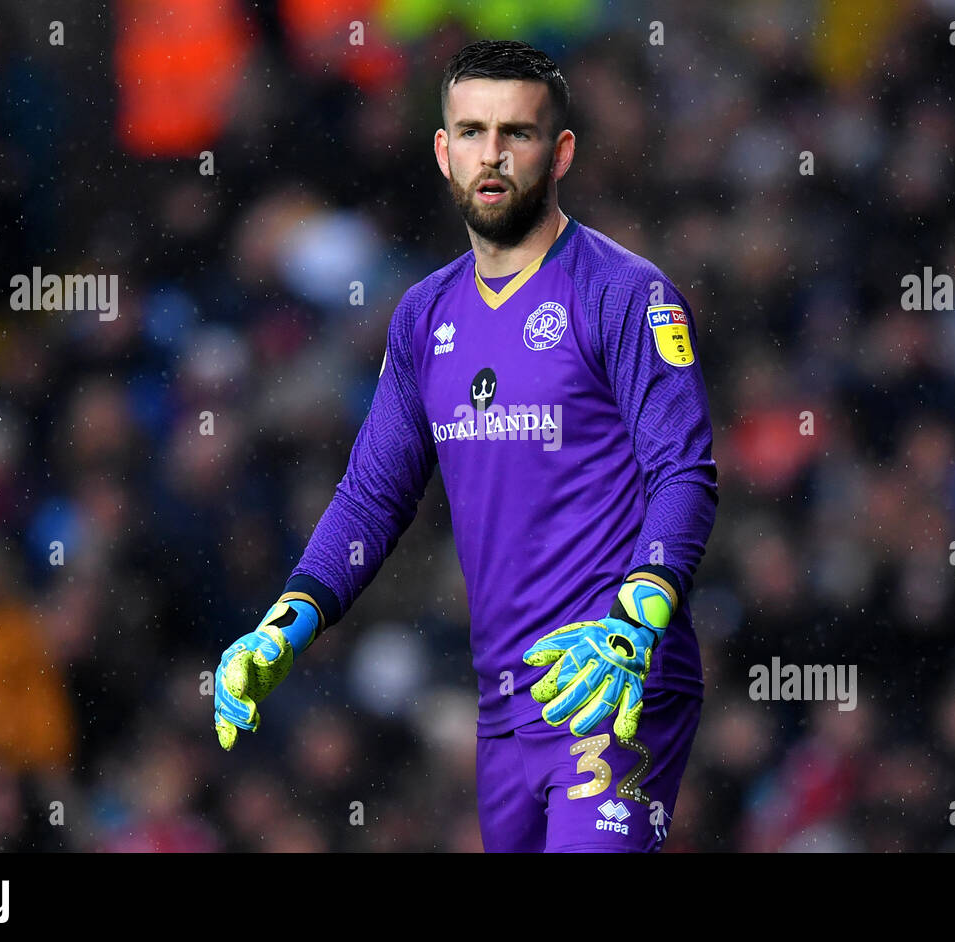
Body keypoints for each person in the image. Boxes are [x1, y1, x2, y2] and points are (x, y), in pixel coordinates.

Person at [213, 39, 717, 853]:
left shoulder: (626, 294)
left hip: (614, 680)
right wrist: (286, 621)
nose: (492, 154)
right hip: (504, 702)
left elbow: (684, 470)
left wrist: (635, 620)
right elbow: (373, 494)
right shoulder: (422, 315)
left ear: (560, 154)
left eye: (516, 133)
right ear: (444, 152)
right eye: (472, 131)